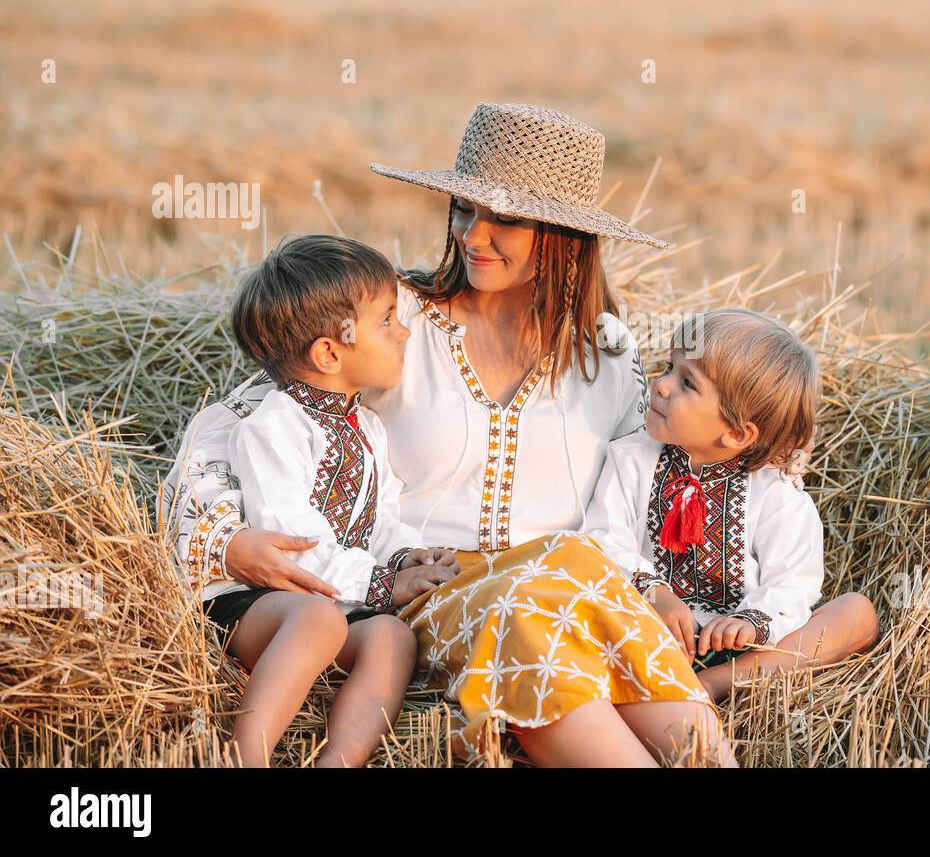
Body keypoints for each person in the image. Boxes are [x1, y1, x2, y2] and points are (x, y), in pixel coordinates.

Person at [163, 102, 731, 766]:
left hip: (565, 600)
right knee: (542, 597)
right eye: (464, 209)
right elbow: (241, 420)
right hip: (430, 601)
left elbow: (640, 489)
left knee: (573, 574)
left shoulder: (607, 351)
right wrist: (224, 543)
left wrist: (656, 588)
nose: (474, 234)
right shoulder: (396, 320)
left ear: (564, 234)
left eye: (506, 219)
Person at [203, 233, 459, 767]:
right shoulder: (274, 427)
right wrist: (382, 583)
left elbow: (379, 514)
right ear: (328, 351)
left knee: (391, 637)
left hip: (329, 601)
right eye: (387, 320)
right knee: (320, 623)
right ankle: (242, 757)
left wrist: (405, 557)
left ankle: (338, 761)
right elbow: (290, 545)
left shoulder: (365, 425)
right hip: (253, 601)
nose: (404, 330)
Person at [584, 309, 879, 702]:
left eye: (687, 383)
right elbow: (602, 539)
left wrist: (750, 623)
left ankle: (721, 681)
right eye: (669, 367)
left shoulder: (776, 494)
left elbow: (793, 583)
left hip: (742, 650)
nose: (661, 385)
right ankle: (671, 680)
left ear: (737, 432)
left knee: (858, 613)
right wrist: (655, 593)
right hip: (649, 628)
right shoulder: (631, 458)